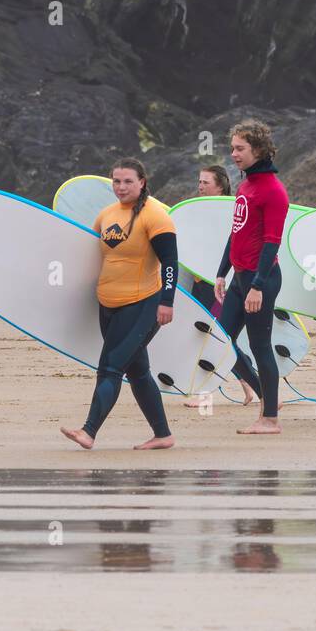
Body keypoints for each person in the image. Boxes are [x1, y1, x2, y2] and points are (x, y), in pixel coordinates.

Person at [61, 159, 177, 451]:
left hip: (142, 304)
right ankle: (163, 435)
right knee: (137, 372)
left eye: (128, 181)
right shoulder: (106, 215)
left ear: (142, 182)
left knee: (110, 367)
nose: (121, 187)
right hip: (108, 304)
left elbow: (170, 263)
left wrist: (167, 301)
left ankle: (89, 431)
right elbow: (91, 259)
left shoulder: (156, 216)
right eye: (116, 181)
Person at [214, 120, 288, 435]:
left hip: (262, 278)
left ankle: (269, 418)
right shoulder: (245, 186)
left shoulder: (273, 191)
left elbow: (272, 241)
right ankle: (266, 398)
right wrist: (221, 272)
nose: (233, 154)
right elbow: (237, 231)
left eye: (240, 148)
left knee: (260, 345)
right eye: (232, 148)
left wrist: (257, 286)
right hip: (240, 276)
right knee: (221, 340)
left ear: (257, 150)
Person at [183, 162, 258, 407]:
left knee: (214, 338)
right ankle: (253, 387)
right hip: (200, 282)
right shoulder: (198, 211)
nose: (200, 186)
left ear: (220, 186)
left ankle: (206, 394)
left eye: (206, 182)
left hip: (219, 283)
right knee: (219, 338)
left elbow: (229, 245)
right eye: (199, 181)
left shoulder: (231, 211)